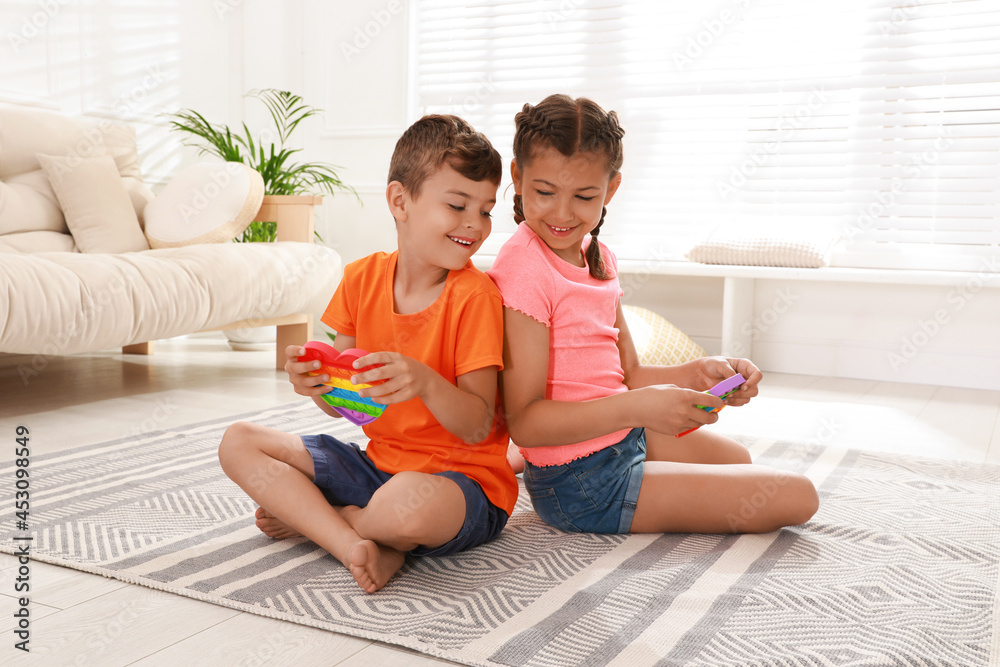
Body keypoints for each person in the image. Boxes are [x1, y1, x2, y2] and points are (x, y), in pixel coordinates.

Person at [487, 94, 818, 536]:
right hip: (581, 483)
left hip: (626, 438)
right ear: (518, 177)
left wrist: (698, 374)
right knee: (798, 494)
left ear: (612, 188)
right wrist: (638, 407)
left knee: (739, 461)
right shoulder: (524, 270)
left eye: (584, 196)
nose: (562, 213)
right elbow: (525, 422)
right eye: (545, 192)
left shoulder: (598, 255)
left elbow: (631, 373)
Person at [219, 114, 517, 594]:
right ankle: (357, 541)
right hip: (377, 466)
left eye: (485, 210)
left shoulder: (475, 297)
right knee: (239, 441)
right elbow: (352, 406)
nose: (475, 224)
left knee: (406, 505)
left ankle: (324, 523)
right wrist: (318, 387)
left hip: (461, 486)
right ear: (400, 201)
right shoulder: (361, 279)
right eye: (458, 205)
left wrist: (425, 381)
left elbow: (479, 425)